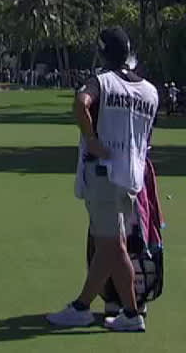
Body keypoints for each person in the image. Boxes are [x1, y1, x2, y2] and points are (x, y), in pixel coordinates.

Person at [47, 27, 161, 333]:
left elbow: (80, 103)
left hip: (104, 173)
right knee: (110, 244)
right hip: (132, 177)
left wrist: (93, 139)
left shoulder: (101, 82)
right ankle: (106, 309)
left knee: (110, 245)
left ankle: (108, 310)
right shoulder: (151, 91)